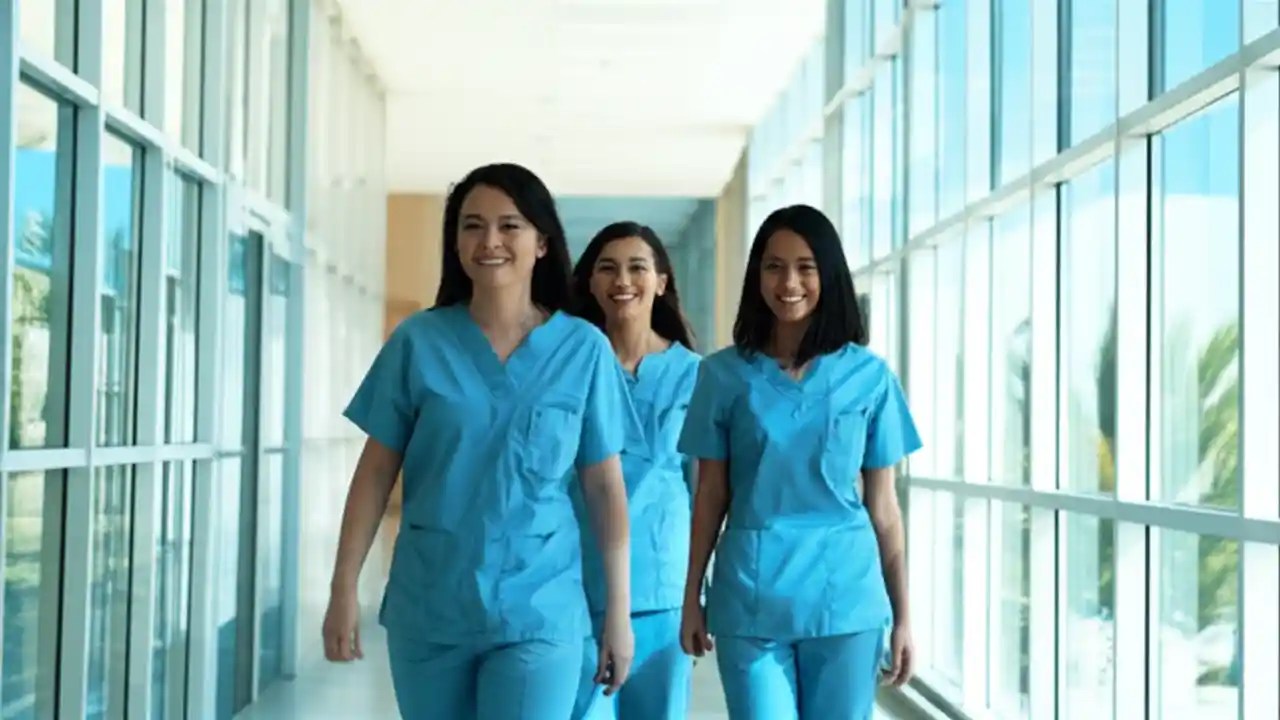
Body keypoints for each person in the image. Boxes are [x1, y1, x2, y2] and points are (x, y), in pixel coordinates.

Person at [321, 163, 636, 720]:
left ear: (542, 242)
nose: (489, 241)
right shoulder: (418, 341)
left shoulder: (583, 349)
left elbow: (605, 490)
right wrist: (343, 587)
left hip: (540, 609)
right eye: (472, 226)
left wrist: (618, 611)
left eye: (509, 226)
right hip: (431, 607)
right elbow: (374, 474)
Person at [677, 204, 921, 720]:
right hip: (751, 596)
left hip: (846, 600)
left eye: (805, 267)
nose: (789, 282)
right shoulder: (722, 376)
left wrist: (903, 617)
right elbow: (710, 496)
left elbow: (885, 510)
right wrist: (691, 594)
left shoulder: (870, 378)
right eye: (774, 266)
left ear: (827, 275)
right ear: (756, 276)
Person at [566, 222, 701, 720]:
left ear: (661, 281)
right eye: (608, 268)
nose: (623, 279)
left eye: (637, 267)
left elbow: (704, 493)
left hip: (664, 595)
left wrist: (696, 597)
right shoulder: (570, 364)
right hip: (578, 591)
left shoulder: (695, 375)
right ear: (592, 284)